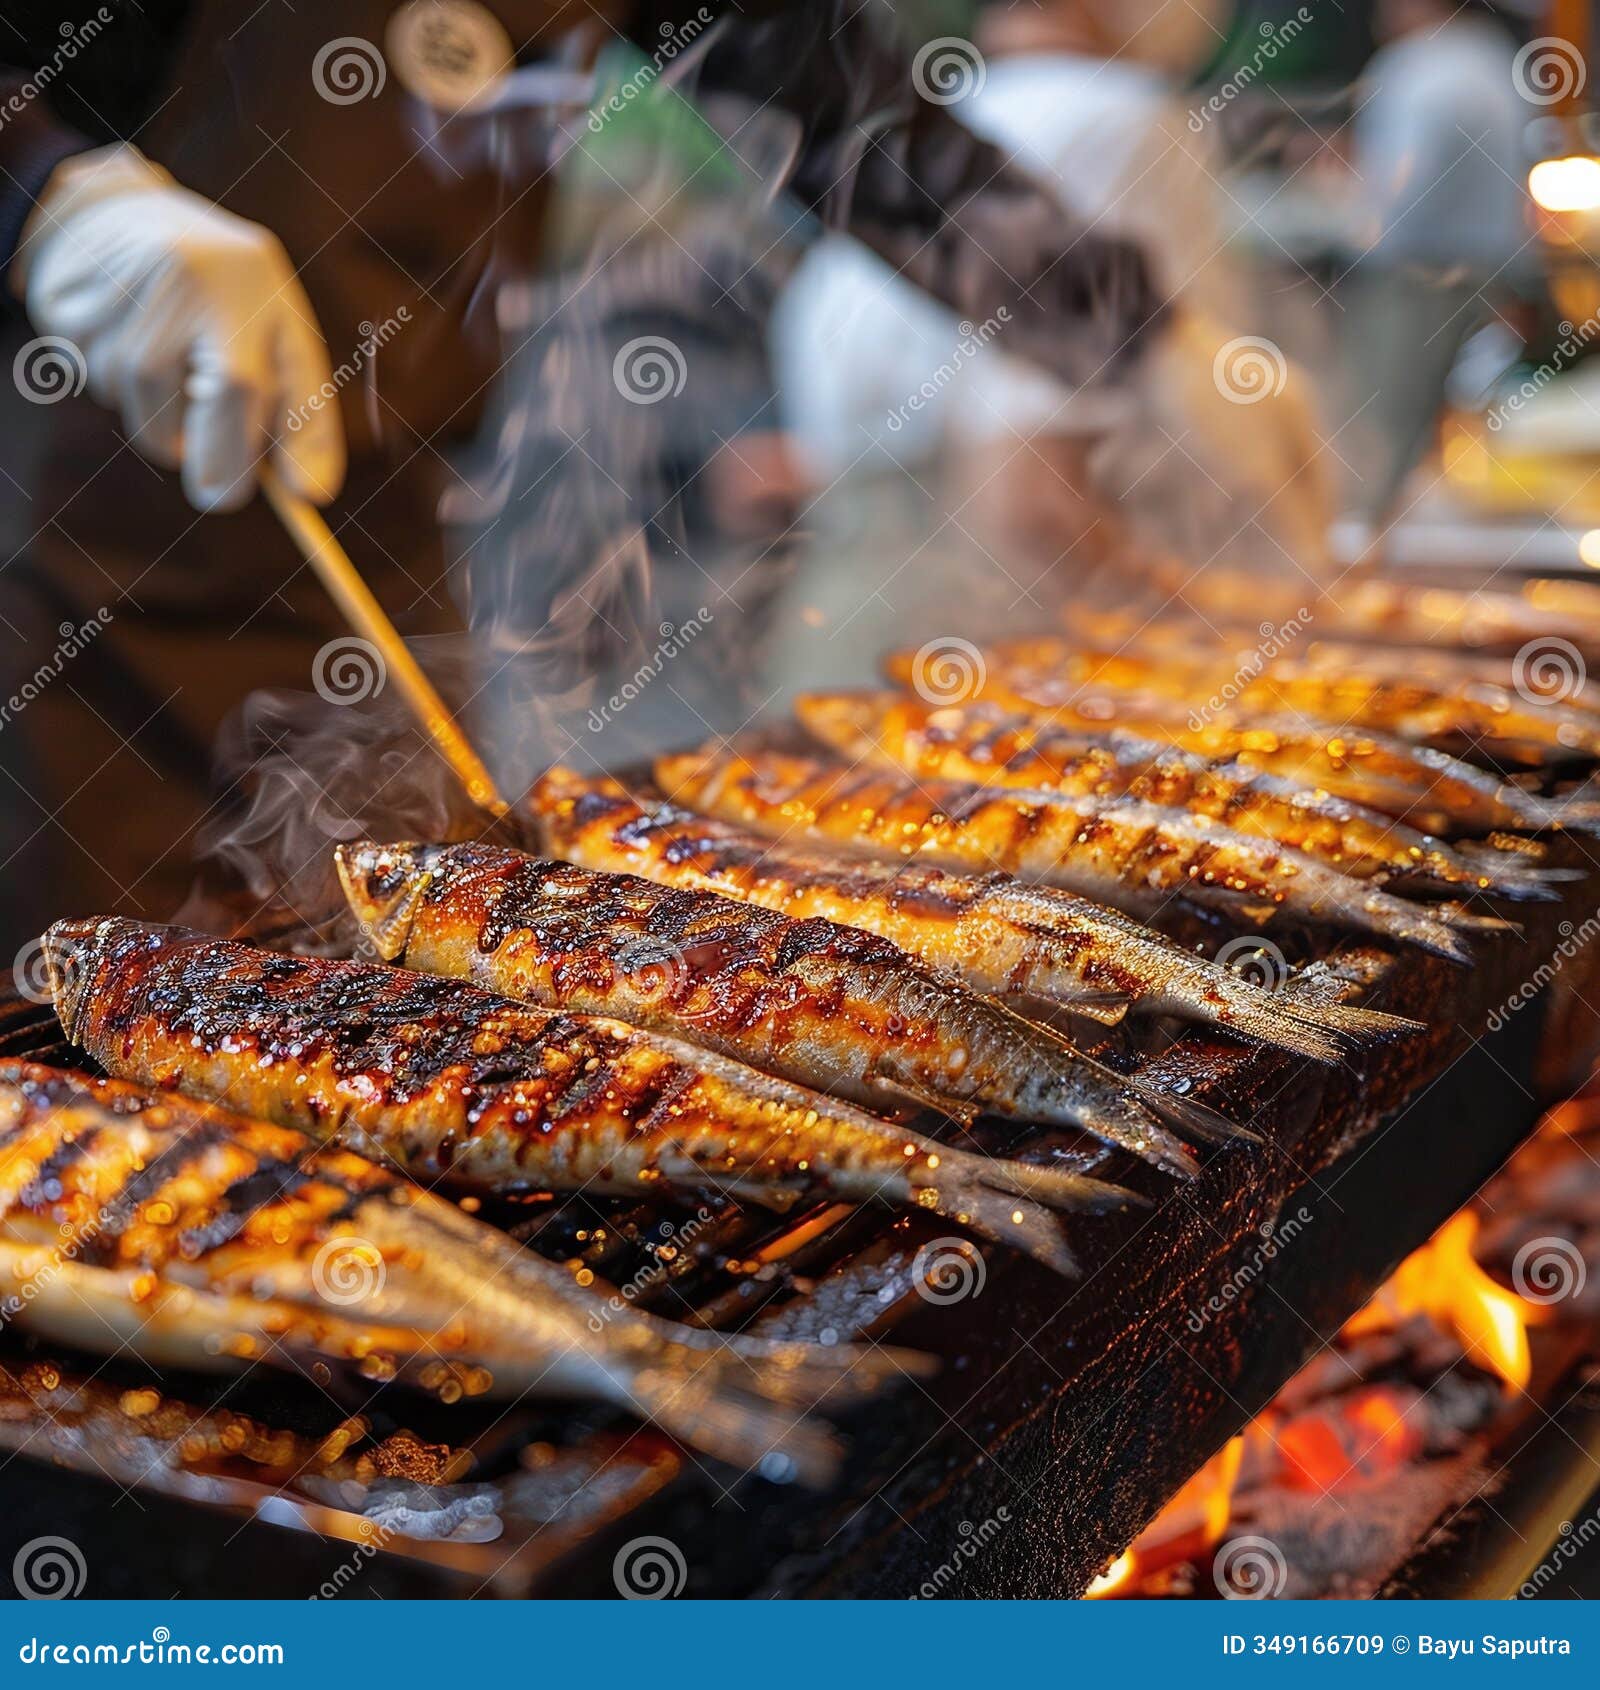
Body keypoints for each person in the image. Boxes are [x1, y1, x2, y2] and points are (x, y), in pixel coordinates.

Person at [0, 1, 1163, 943]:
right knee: (129, 1020)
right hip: (86, 580)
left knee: (439, 953)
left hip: (390, 539)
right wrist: (48, 200)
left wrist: (1127, 325)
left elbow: (855, 122)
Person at [774, 0, 1334, 590]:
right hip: (976, 602)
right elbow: (1030, 499)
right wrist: (1227, 616)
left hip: (852, 582)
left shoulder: (951, 104)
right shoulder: (1123, 118)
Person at [1341, 0, 1534, 536]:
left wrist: (1355, 232)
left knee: (1383, 427)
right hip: (1490, 275)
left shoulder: (1411, 67)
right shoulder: (1497, 59)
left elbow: (1396, 198)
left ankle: (1364, 549)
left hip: (1413, 277)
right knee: (1470, 432)